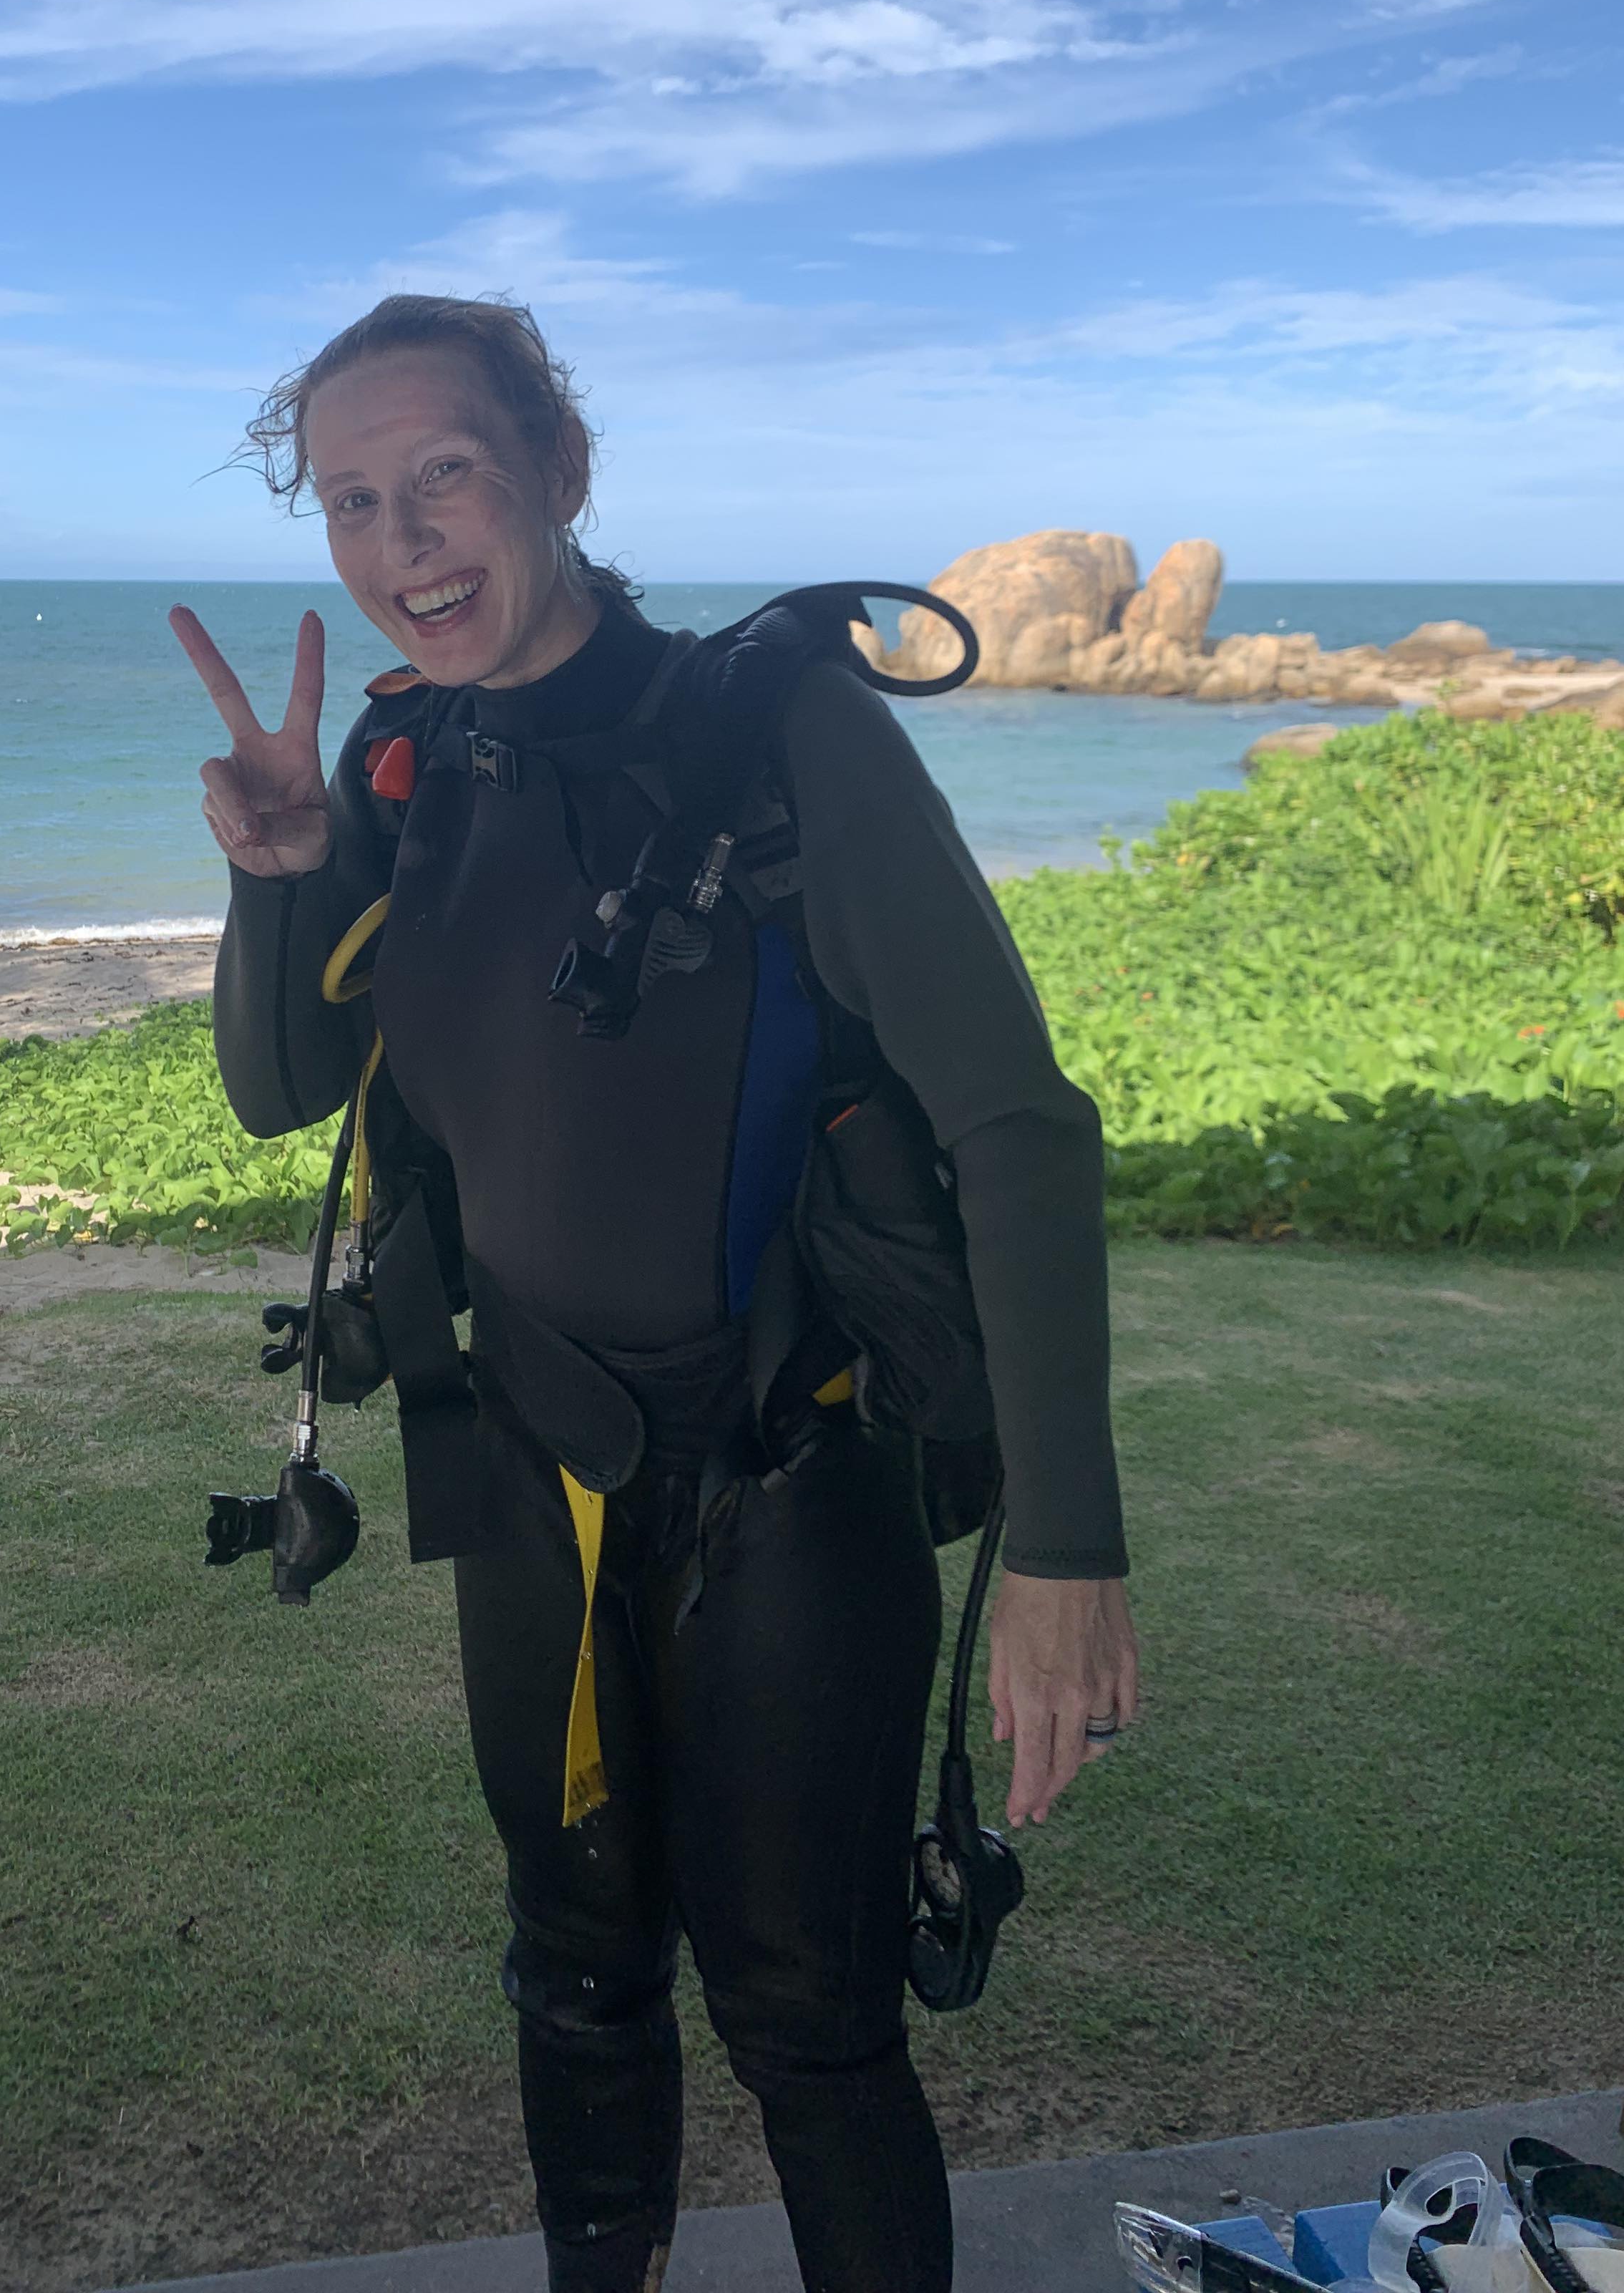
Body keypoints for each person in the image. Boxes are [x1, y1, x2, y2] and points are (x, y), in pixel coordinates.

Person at [174, 295, 1139, 2293]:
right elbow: (280, 1092)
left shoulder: (781, 735)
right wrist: (280, 865)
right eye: (352, 500)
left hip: (790, 1480)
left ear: (559, 466)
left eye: (442, 473)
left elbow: (1020, 1129)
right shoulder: (402, 760)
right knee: (576, 1978)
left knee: (807, 2016)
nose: (402, 541)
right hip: (532, 1468)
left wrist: (1065, 1547)